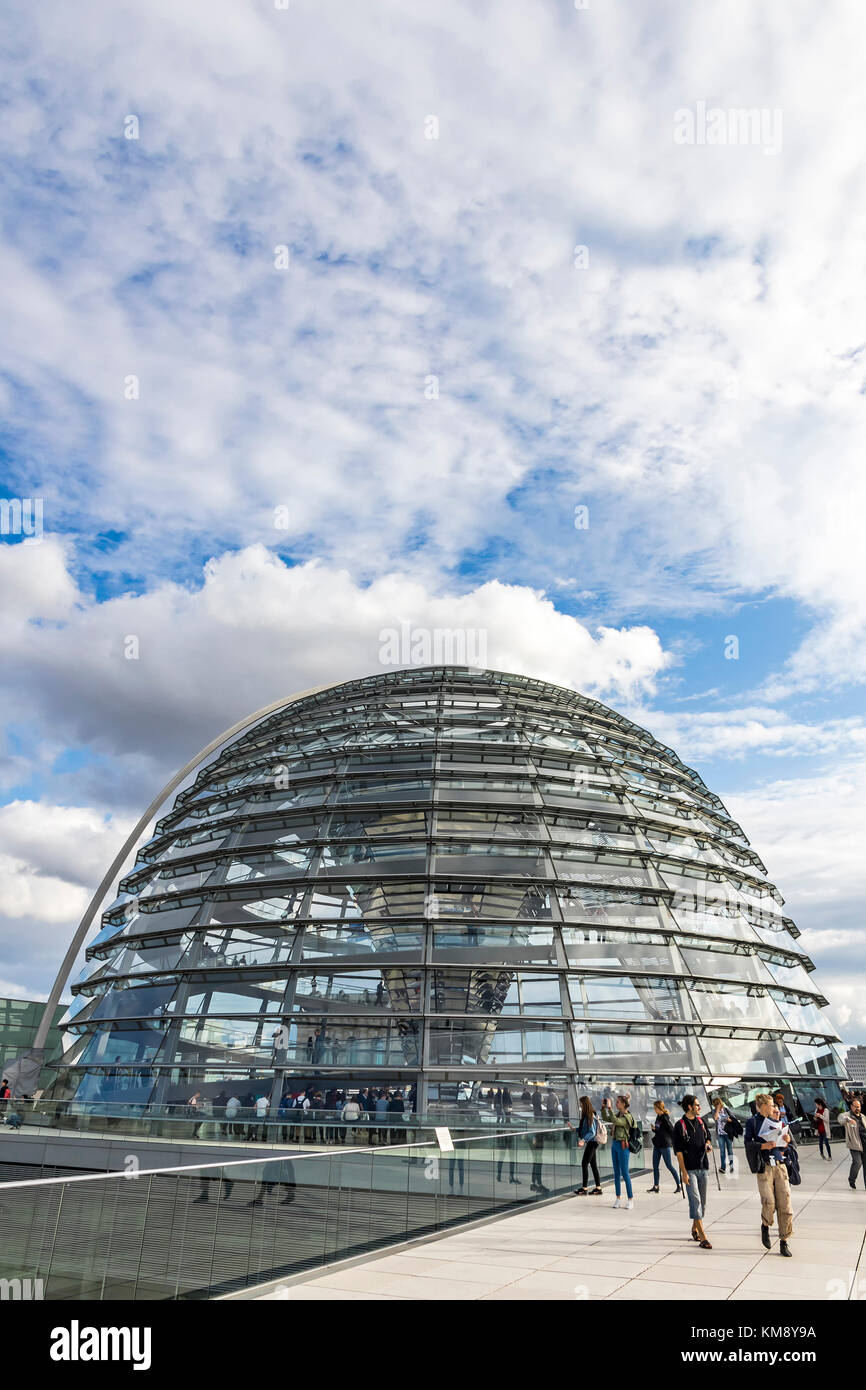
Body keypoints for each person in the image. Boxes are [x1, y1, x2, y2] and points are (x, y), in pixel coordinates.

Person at [744, 1093, 794, 1256]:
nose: (774, 1108)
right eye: (772, 1105)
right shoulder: (752, 1122)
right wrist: (762, 1146)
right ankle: (765, 1226)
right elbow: (748, 1144)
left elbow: (781, 1147)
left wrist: (785, 1141)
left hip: (779, 1164)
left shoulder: (777, 1120)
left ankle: (784, 1241)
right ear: (763, 1106)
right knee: (769, 1202)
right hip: (764, 1167)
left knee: (785, 1205)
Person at [673, 1094, 713, 1248]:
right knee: (695, 1201)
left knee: (702, 1204)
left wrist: (708, 1144)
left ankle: (695, 1228)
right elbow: (679, 1152)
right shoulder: (679, 1125)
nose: (699, 1107)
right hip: (689, 1169)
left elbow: (708, 1138)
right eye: (697, 1105)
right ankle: (703, 1237)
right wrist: (683, 1172)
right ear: (689, 1106)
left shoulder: (701, 1122)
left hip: (703, 1167)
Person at [610, 1094, 638, 1209]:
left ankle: (630, 1199)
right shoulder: (618, 1114)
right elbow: (609, 1118)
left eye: (618, 1102)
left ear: (623, 1104)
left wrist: (610, 1109)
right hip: (615, 1144)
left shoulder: (627, 1117)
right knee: (616, 1173)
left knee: (625, 1173)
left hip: (623, 1145)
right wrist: (604, 1109)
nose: (616, 1104)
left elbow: (616, 1121)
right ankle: (618, 1198)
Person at [647, 1100, 681, 1193]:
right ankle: (656, 1186)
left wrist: (675, 1142)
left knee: (669, 1165)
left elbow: (671, 1130)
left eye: (655, 1108)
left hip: (664, 1145)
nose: (654, 1110)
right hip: (657, 1144)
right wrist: (654, 1129)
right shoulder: (658, 1116)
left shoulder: (665, 1118)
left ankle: (679, 1184)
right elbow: (659, 1130)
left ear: (659, 1108)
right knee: (655, 1166)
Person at [575, 1095, 603, 1196]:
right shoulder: (588, 1114)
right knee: (593, 1165)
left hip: (592, 1142)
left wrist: (583, 1140)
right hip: (592, 1142)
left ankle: (584, 1188)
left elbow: (591, 1132)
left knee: (584, 1163)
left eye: (581, 1104)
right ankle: (598, 1188)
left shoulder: (589, 1115)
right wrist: (575, 1129)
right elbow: (585, 1129)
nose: (580, 1105)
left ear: (584, 1104)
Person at [839, 1096, 866, 1190]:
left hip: (864, 1143)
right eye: (855, 1106)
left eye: (859, 1106)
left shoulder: (863, 1117)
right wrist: (848, 1119)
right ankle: (852, 1179)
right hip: (855, 1144)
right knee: (858, 1162)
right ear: (851, 1107)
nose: (857, 1108)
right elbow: (840, 1118)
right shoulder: (847, 1115)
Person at [712, 1096, 736, 1175]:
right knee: (722, 1151)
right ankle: (723, 1167)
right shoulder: (714, 1111)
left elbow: (733, 1119)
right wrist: (717, 1110)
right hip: (720, 1134)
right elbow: (715, 1118)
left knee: (730, 1150)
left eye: (717, 1104)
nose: (716, 1106)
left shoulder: (726, 1109)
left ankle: (732, 1166)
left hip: (728, 1133)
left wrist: (727, 1119)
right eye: (715, 1105)